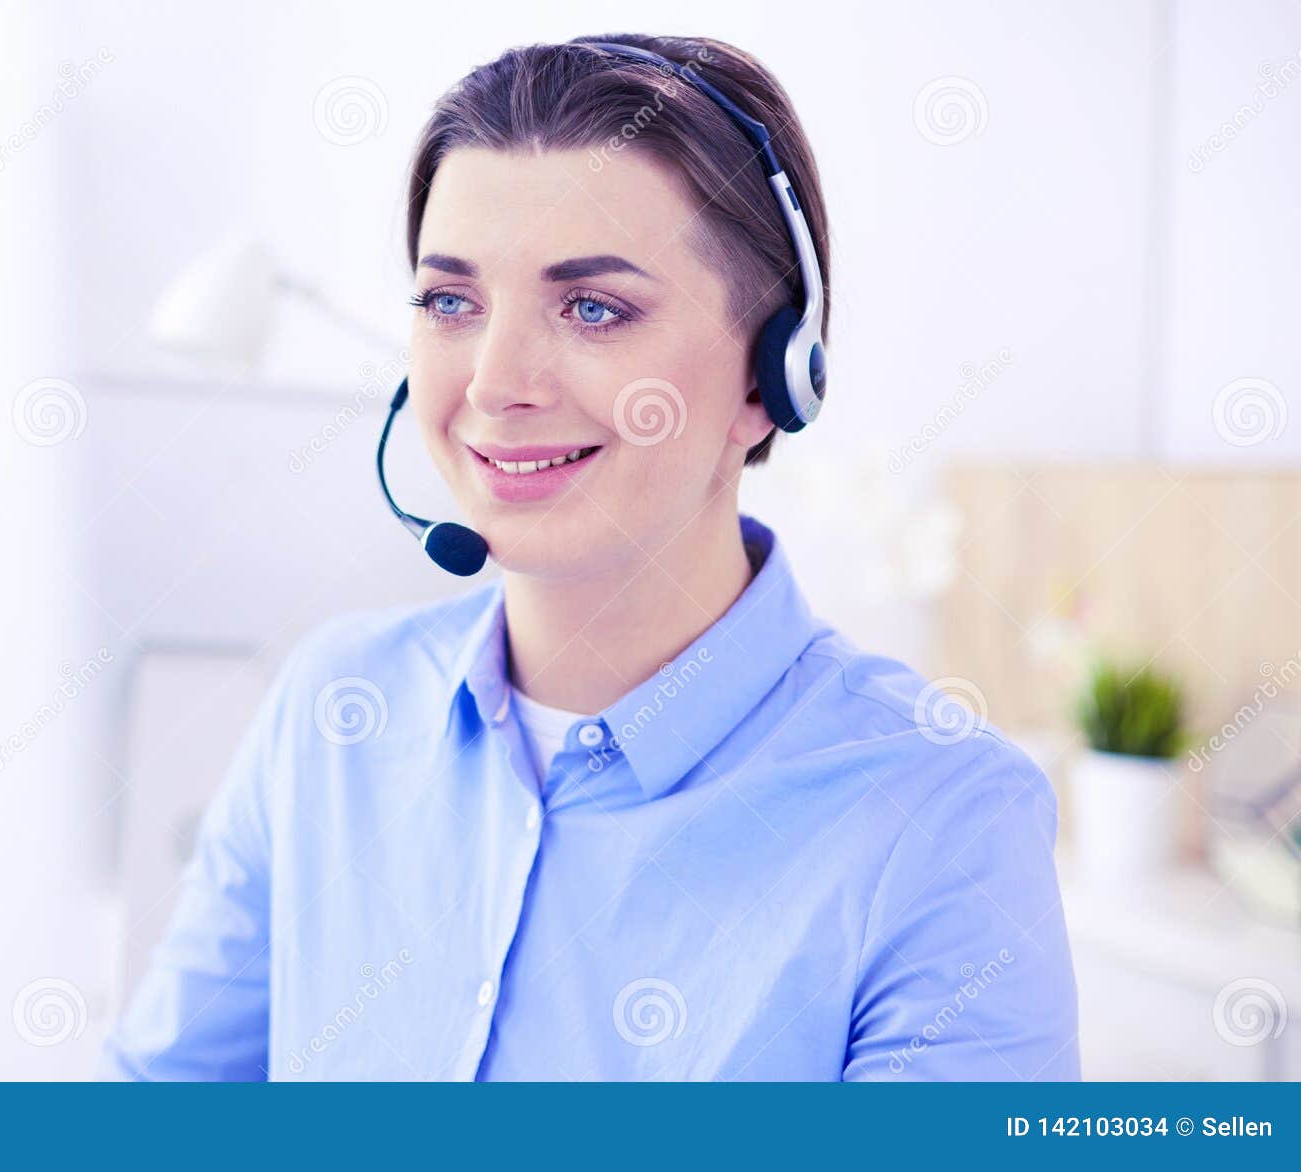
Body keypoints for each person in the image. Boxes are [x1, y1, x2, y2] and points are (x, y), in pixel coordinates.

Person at [98, 33, 1079, 1081]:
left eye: (593, 307)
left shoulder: (942, 822)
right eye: (451, 303)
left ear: (773, 375)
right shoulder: (332, 710)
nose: (495, 382)